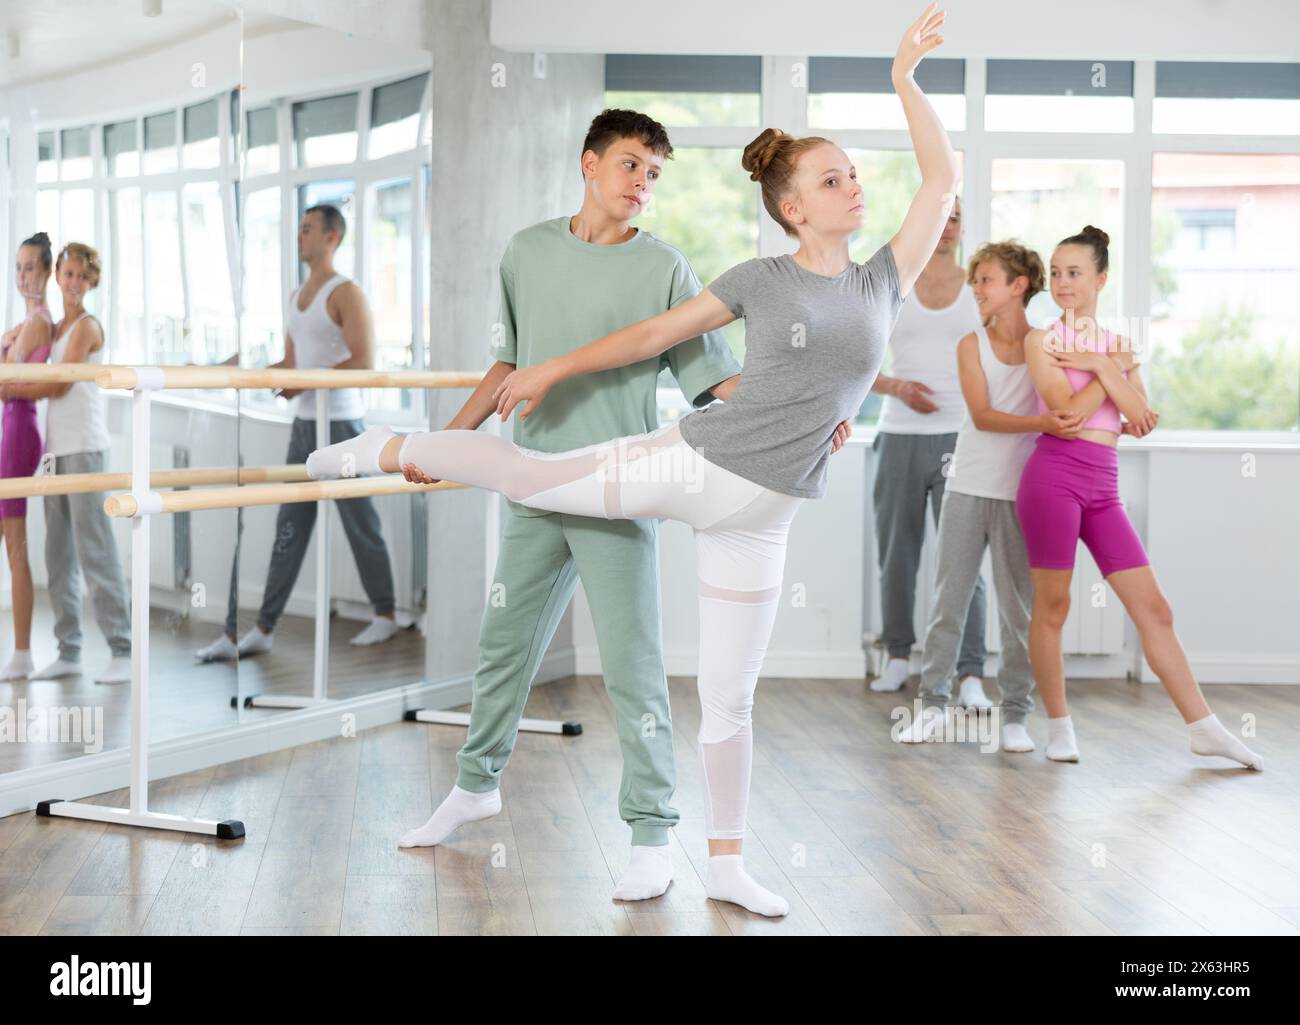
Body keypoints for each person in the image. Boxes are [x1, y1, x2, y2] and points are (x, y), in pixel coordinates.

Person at [308, 3, 957, 916]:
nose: (854, 186)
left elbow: (941, 177)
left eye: (853, 174)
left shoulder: (882, 277)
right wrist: (551, 371)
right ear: (790, 205)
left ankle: (719, 863)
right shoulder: (752, 279)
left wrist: (904, 80)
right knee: (525, 493)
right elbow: (650, 337)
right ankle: (375, 445)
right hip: (695, 466)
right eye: (832, 176)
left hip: (766, 514)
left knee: (726, 698)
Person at [1017, 225, 1261, 770]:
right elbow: (1068, 413)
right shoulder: (1042, 340)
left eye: (1074, 273)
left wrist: (1108, 362)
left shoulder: (1118, 346)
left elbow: (1141, 419)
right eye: (1055, 273)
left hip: (1104, 486)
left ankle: (1204, 728)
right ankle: (1059, 727)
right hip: (1052, 477)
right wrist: (1111, 368)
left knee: (1155, 608)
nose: (1061, 283)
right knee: (1054, 606)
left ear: (1101, 278)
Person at [195, 205, 401, 662]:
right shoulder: (295, 297)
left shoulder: (346, 292)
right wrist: (245, 376)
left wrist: (300, 380)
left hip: (344, 424)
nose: (299, 235)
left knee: (360, 523)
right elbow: (292, 366)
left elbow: (364, 362)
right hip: (305, 425)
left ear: (332, 237)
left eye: (308, 229)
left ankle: (385, 614)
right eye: (299, 228)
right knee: (289, 527)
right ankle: (265, 627)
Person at [899, 240, 1081, 747]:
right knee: (948, 604)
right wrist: (1044, 422)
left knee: (1018, 613)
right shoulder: (969, 344)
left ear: (1018, 286)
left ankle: (1017, 716)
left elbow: (1072, 399)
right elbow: (982, 416)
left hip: (1023, 497)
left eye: (985, 280)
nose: (975, 288)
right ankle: (933, 706)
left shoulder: (1046, 346)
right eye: (975, 279)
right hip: (969, 487)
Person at [868, 196, 989, 703]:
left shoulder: (979, 291)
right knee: (898, 556)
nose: (947, 226)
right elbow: (854, 363)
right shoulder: (894, 286)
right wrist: (899, 390)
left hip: (964, 439)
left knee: (964, 561)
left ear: (963, 227)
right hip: (898, 436)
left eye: (956, 217)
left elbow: (1004, 357)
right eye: (940, 216)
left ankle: (970, 674)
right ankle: (898, 656)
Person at [0, 243, 132, 684]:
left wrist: (8, 389)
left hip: (85, 450)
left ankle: (122, 649)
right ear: (57, 276)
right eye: (67, 274)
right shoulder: (55, 328)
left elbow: (57, 386)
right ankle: (69, 650)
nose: (74, 283)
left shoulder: (86, 327)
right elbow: (22, 348)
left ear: (91, 282)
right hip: (56, 453)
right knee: (58, 556)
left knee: (95, 551)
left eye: (82, 276)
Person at [0, 232, 55, 680]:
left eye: (30, 267)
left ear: (47, 272)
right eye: (18, 267)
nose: (22, 275)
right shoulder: (25, 322)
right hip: (11, 427)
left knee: (16, 547)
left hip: (20, 431)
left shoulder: (35, 322)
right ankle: (18, 650)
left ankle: (22, 654)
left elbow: (6, 382)